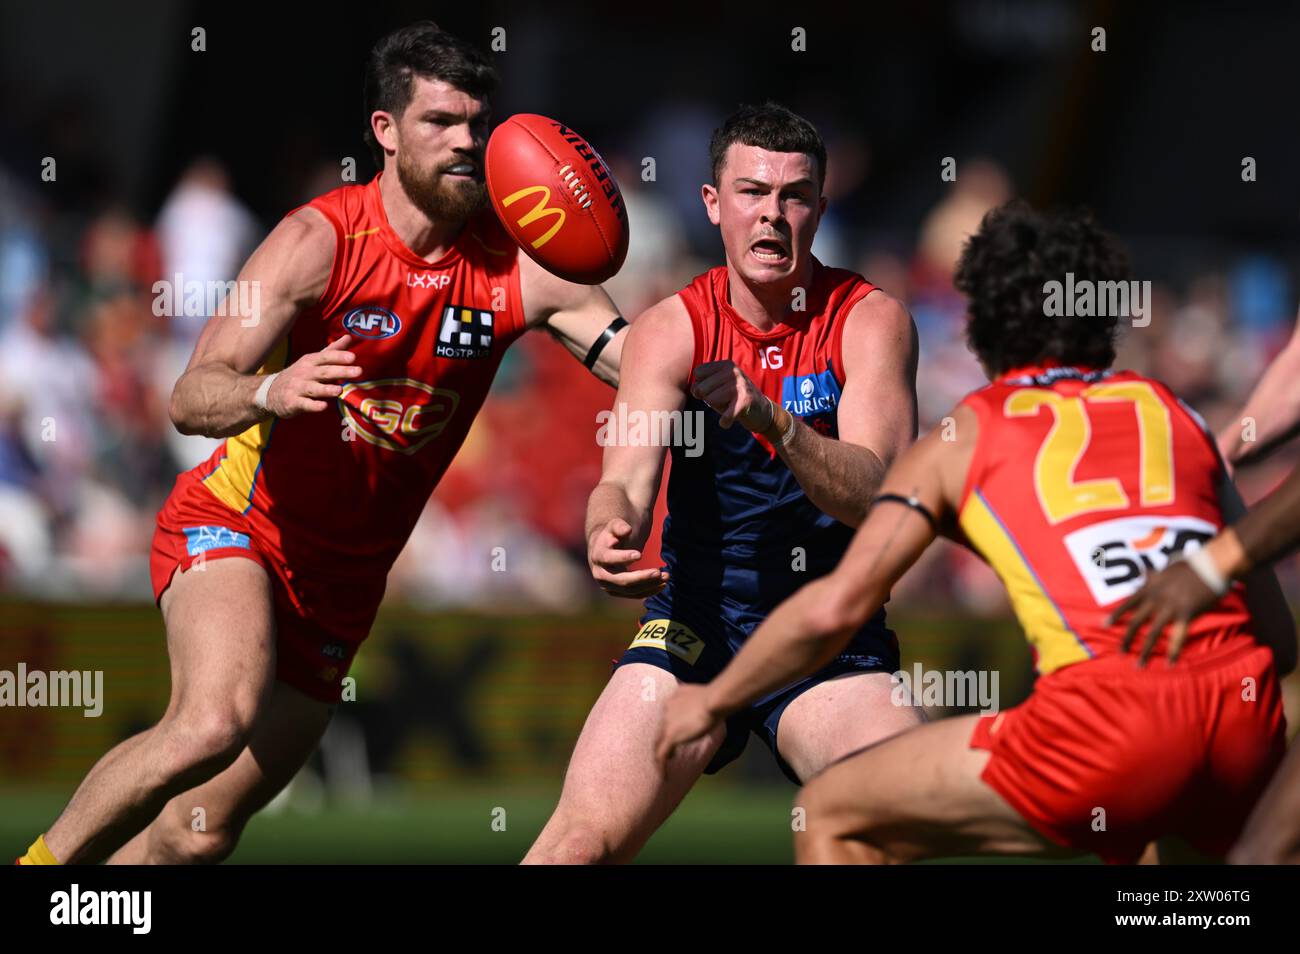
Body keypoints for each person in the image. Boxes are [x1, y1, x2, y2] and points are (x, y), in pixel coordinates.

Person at [17, 21, 630, 866]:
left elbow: (640, 363)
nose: (465, 142)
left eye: (476, 124)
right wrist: (272, 389)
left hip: (343, 585)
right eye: (439, 122)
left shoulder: (520, 262)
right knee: (211, 721)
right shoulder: (318, 242)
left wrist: (732, 379)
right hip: (239, 524)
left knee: (197, 840)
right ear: (384, 132)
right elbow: (192, 393)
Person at [656, 200, 1296, 864]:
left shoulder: (968, 435)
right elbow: (1278, 641)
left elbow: (833, 609)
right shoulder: (1174, 416)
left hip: (1108, 727)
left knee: (832, 813)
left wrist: (713, 700)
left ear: (982, 326)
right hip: (1242, 721)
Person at [524, 103, 922, 864]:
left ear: (819, 209)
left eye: (794, 196)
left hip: (827, 637)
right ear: (713, 204)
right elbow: (626, 482)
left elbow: (878, 497)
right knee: (577, 844)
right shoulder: (671, 327)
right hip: (695, 624)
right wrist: (608, 529)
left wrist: (774, 422)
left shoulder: (870, 320)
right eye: (751, 192)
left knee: (888, 834)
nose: (772, 216)